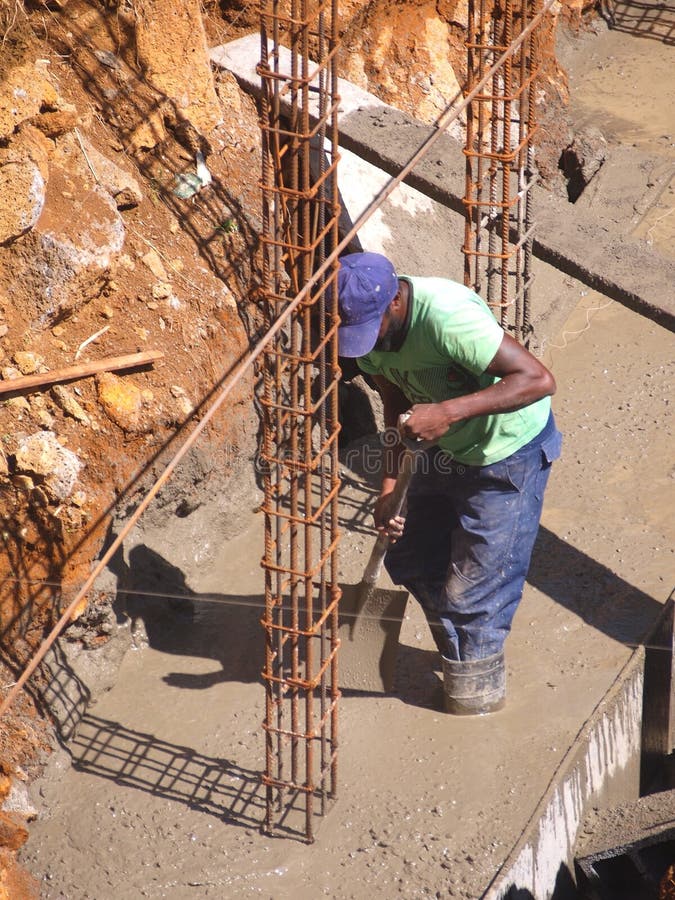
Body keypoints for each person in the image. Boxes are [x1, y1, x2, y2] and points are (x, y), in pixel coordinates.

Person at [336, 251, 562, 715]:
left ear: (395, 303)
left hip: (507, 452)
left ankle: (473, 701)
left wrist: (447, 412)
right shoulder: (371, 337)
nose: (361, 345)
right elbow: (395, 405)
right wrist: (387, 490)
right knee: (411, 553)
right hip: (445, 447)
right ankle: (458, 646)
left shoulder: (448, 319)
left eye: (366, 330)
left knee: (475, 597)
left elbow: (539, 379)